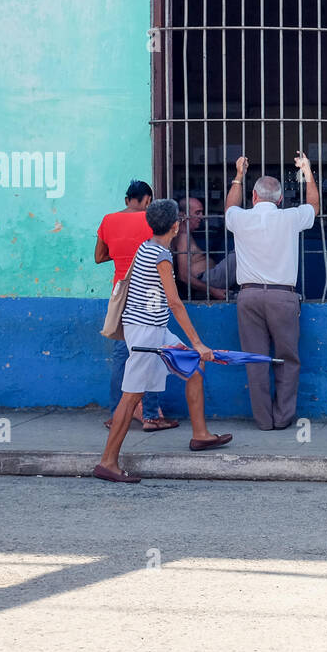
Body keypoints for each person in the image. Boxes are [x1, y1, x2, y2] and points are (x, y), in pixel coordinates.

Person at [95, 199, 232, 483]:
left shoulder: (146, 247)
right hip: (147, 333)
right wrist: (198, 343)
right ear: (175, 225)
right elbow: (175, 303)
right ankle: (108, 462)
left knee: (194, 368)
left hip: (153, 330)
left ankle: (200, 435)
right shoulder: (160, 255)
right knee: (131, 398)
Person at [225, 152, 319, 431]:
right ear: (279, 200)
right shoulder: (289, 217)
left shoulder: (241, 219)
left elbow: (229, 208)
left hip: (249, 295)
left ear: (254, 198)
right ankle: (283, 417)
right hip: (282, 296)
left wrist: (238, 175)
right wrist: (308, 172)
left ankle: (263, 421)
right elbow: (314, 205)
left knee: (255, 359)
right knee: (288, 358)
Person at [95, 180, 176, 431]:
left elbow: (99, 257)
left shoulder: (108, 220)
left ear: (126, 199)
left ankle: (115, 414)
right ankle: (150, 415)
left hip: (120, 295)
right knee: (151, 354)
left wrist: (120, 254)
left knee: (122, 357)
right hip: (148, 296)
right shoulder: (148, 222)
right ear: (148, 200)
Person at [172, 196, 238, 300]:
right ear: (183, 215)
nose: (202, 217)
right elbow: (183, 275)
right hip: (207, 280)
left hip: (210, 278)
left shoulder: (187, 234)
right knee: (240, 252)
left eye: (202, 213)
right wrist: (213, 291)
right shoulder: (183, 237)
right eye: (197, 213)